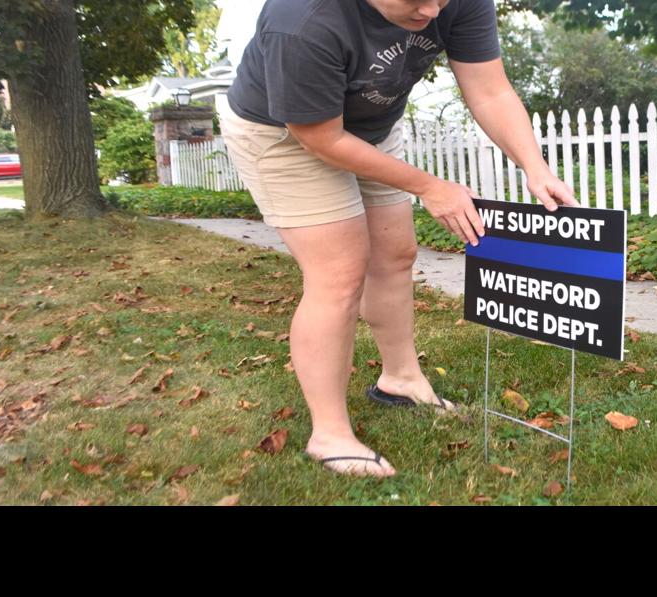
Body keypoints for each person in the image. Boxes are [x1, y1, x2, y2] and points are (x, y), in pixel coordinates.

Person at [224, 0, 577, 476]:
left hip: (370, 128)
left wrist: (535, 167)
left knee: (395, 252)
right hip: (287, 132)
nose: (432, 12)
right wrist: (430, 187)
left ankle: (402, 380)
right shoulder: (303, 19)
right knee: (340, 272)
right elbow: (321, 139)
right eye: (416, 0)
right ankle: (329, 434)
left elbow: (490, 90)